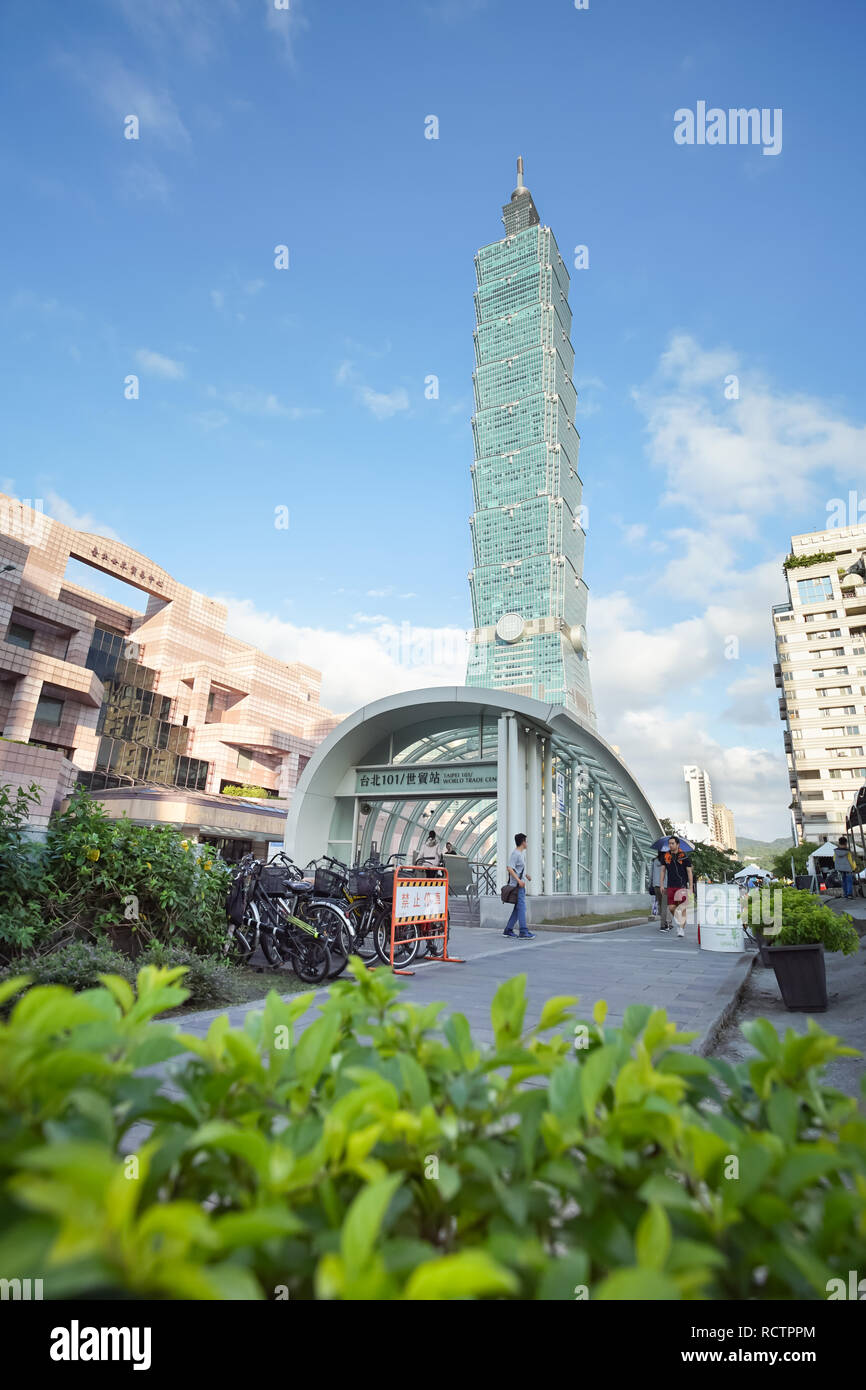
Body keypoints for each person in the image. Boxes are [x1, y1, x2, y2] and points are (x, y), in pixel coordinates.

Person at [659, 835, 693, 939]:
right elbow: (663, 870)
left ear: (678, 844)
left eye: (672, 843)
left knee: (682, 908)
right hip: (671, 885)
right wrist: (661, 884)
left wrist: (691, 887)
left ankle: (681, 929)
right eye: (669, 843)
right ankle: (679, 921)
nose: (671, 845)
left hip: (682, 885)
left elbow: (689, 872)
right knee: (671, 907)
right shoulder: (666, 856)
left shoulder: (684, 857)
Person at [504, 832, 536, 940]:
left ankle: (508, 930)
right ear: (522, 842)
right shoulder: (516, 854)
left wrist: (526, 876)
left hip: (520, 884)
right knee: (522, 908)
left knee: (518, 909)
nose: (527, 843)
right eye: (526, 841)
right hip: (518, 886)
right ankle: (523, 931)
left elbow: (518, 869)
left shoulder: (521, 854)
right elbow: (509, 867)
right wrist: (519, 880)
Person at [834, 835, 857, 900]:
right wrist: (854, 867)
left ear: (839, 843)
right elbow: (851, 860)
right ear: (846, 843)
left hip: (840, 869)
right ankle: (849, 894)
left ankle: (845, 894)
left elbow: (834, 859)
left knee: (844, 881)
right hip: (848, 868)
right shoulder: (847, 852)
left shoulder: (836, 851)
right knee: (849, 881)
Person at [649, 853, 667, 929]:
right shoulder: (668, 860)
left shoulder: (654, 861)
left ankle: (663, 922)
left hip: (656, 885)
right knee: (664, 905)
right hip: (665, 885)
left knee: (660, 904)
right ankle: (663, 924)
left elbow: (651, 874)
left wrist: (650, 884)